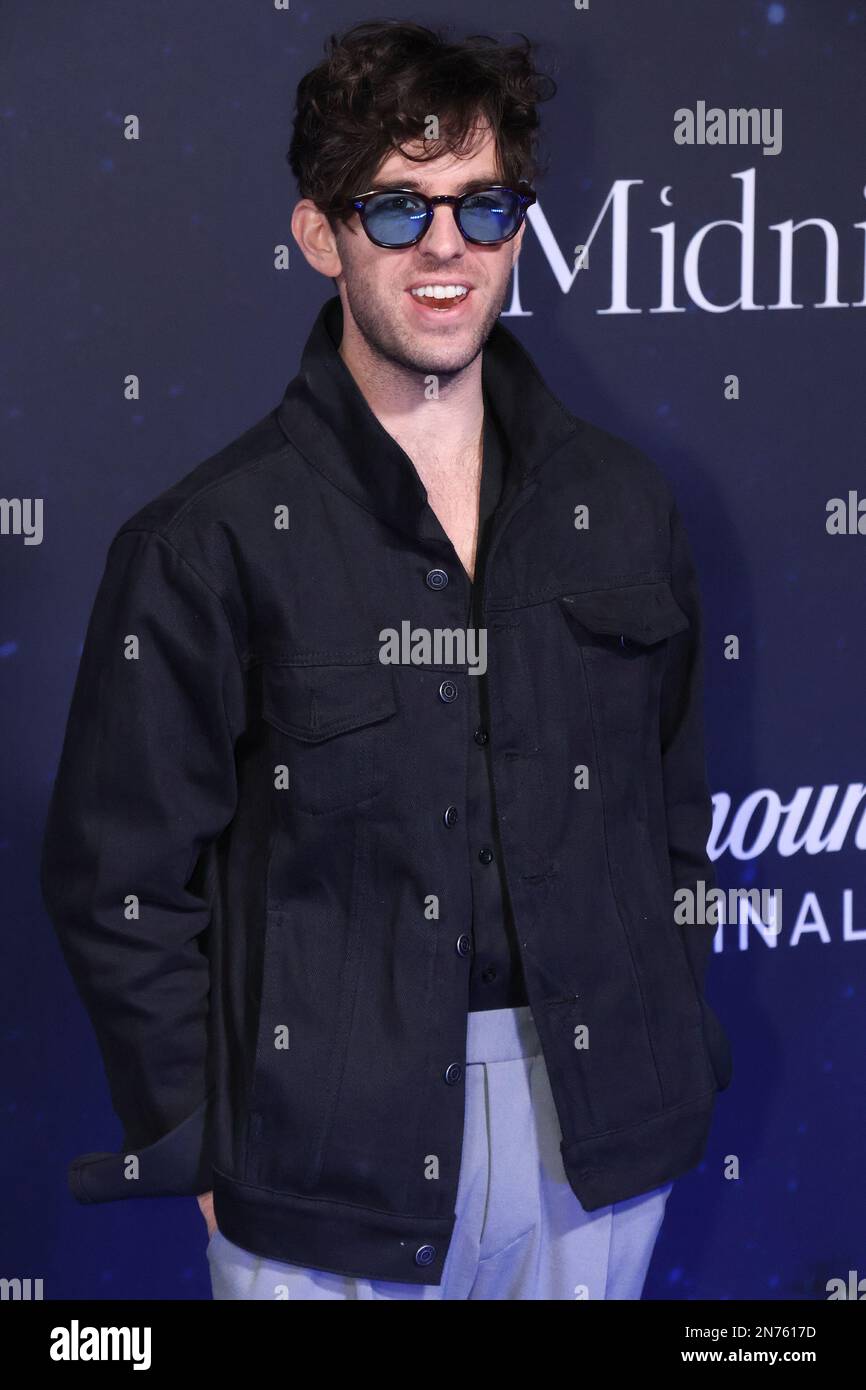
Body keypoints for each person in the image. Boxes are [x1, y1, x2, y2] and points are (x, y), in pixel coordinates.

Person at [40, 19, 731, 1301]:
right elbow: (116, 877)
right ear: (320, 235)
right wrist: (198, 1139)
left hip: (601, 1140)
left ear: (519, 228)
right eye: (397, 212)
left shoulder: (622, 506)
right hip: (323, 1163)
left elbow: (672, 815)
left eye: (480, 209)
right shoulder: (209, 539)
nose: (446, 253)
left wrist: (663, 1035)